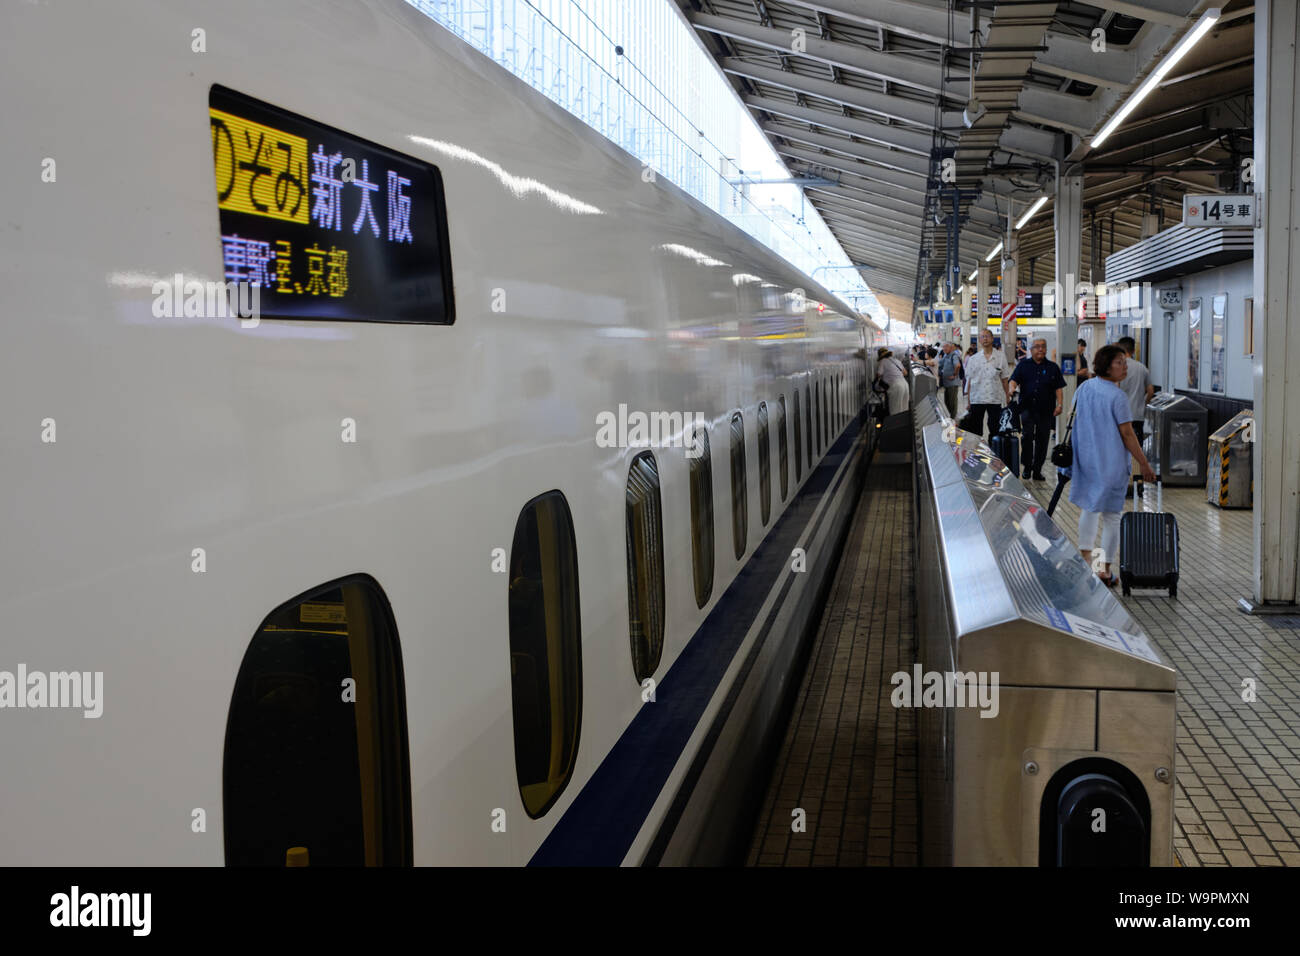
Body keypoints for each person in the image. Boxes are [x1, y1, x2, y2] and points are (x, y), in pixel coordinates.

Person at [1069, 345, 1157, 586]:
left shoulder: (1085, 387)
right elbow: (1128, 434)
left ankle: (1087, 562)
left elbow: (1073, 416)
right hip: (1110, 463)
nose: (1125, 366)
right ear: (1106, 365)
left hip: (1086, 460)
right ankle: (1104, 570)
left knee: (1089, 508)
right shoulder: (1117, 396)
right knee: (1111, 516)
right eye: (1120, 362)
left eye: (1124, 362)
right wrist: (1145, 464)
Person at [1008, 337, 1066, 481]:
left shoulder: (1053, 367)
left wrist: (1060, 404)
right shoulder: (1023, 365)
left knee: (1043, 439)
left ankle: (1037, 470)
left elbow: (1058, 388)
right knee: (1027, 437)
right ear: (1031, 349)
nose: (1040, 349)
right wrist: (1012, 388)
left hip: (1046, 410)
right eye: (1037, 346)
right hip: (1027, 408)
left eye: (1043, 346)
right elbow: (1013, 379)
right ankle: (1027, 467)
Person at [1116, 335, 1154, 494]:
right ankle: (1137, 484)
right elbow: (1150, 391)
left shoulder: (1118, 368)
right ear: (1133, 350)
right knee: (1136, 449)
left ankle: (1122, 483)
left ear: (1122, 349)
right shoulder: (1142, 368)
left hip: (1120, 417)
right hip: (1137, 416)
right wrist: (1142, 404)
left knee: (1120, 450)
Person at [964, 328, 1010, 436]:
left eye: (987, 336)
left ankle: (993, 450)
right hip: (977, 398)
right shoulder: (973, 359)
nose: (985, 338)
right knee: (975, 429)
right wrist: (967, 400)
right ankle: (978, 451)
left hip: (995, 398)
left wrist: (1007, 397)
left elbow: (1004, 379)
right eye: (982, 336)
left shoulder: (1000, 357)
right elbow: (969, 381)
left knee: (995, 428)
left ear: (992, 339)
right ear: (979, 340)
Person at [876, 347, 910, 415]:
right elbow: (905, 373)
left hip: (896, 386)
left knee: (895, 411)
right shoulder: (897, 361)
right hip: (905, 385)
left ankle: (897, 425)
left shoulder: (883, 361)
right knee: (904, 409)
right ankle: (903, 425)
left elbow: (878, 375)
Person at [936, 340, 963, 418]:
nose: (944, 348)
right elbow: (939, 364)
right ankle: (952, 416)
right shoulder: (945, 355)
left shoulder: (953, 355)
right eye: (943, 347)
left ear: (951, 347)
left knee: (952, 402)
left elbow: (958, 365)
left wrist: (954, 375)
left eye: (946, 346)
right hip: (946, 383)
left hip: (952, 383)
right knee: (947, 401)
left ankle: (953, 418)